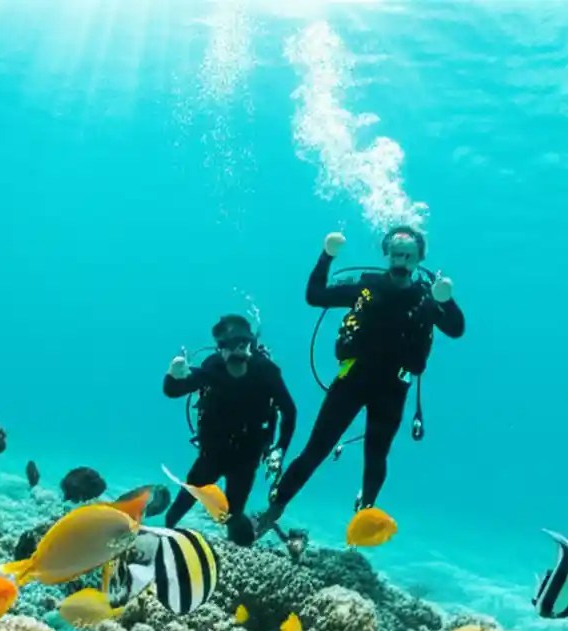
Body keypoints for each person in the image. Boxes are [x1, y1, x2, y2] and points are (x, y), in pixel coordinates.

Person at [254, 227, 465, 537]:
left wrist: (447, 302)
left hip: (392, 388)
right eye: (396, 254)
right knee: (316, 448)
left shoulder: (427, 297)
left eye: (408, 255)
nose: (401, 261)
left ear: (420, 258)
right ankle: (273, 511)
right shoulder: (367, 286)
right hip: (352, 380)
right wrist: (326, 256)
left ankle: (363, 518)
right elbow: (315, 295)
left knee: (376, 456)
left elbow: (456, 329)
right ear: (386, 254)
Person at [163, 314, 297, 546]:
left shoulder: (266, 371)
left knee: (234, 513)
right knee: (186, 499)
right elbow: (175, 390)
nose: (235, 351)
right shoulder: (213, 366)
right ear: (220, 347)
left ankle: (232, 552)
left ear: (250, 345)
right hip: (213, 450)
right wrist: (172, 376)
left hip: (247, 453)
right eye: (227, 345)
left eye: (241, 344)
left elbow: (289, 411)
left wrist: (280, 448)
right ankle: (165, 535)